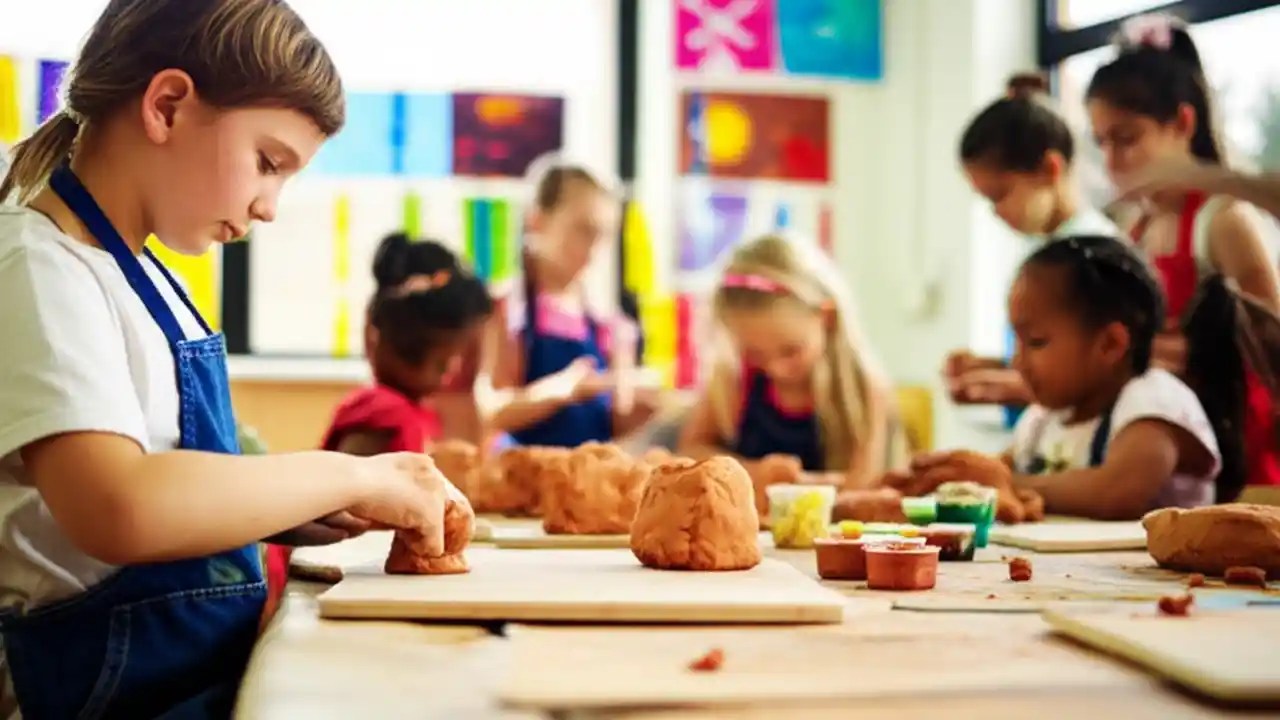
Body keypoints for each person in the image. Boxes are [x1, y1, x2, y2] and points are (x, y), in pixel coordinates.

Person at [0, 2, 460, 718]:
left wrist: (287, 509)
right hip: (99, 688)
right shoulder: (40, 265)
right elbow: (115, 508)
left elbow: (169, 475)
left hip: (189, 676)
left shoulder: (147, 275)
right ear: (168, 105)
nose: (272, 206)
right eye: (268, 162)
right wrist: (344, 472)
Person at [1087, 12, 1280, 487]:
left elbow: (1272, 355)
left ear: (1182, 123)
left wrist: (1205, 353)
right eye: (1101, 142)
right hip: (1163, 454)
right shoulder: (1133, 229)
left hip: (1242, 462)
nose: (1112, 160)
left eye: (1127, 139)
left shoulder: (1223, 221)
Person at [913, 236, 1221, 520]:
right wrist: (951, 474)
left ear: (1110, 344)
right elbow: (994, 471)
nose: (1017, 361)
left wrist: (1003, 481)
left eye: (1035, 341)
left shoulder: (1153, 401)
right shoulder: (1042, 420)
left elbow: (1116, 492)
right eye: (1015, 341)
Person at [945, 72, 1119, 409]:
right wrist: (990, 366)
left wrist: (1002, 387)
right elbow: (1051, 356)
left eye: (1000, 195)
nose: (995, 212)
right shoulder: (1044, 250)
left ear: (1050, 169)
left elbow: (1097, 378)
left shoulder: (1093, 253)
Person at [677, 234, 904, 488]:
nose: (777, 368)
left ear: (826, 318)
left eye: (790, 351)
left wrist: (792, 482)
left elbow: (863, 485)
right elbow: (691, 451)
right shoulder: (734, 379)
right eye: (754, 353)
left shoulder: (863, 388)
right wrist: (755, 472)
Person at [477, 164, 656, 448]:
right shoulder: (505, 309)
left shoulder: (607, 322)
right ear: (537, 221)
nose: (593, 247)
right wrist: (562, 389)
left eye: (604, 235)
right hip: (522, 475)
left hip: (587, 478)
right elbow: (490, 409)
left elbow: (616, 422)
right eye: (582, 230)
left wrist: (647, 408)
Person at [321, 233, 494, 456]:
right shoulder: (384, 415)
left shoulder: (411, 414)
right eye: (443, 362)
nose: (454, 369)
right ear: (410, 347)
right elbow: (349, 483)